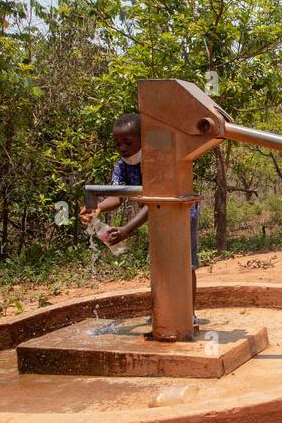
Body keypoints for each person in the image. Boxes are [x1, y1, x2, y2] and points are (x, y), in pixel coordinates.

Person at [80, 111, 202, 293]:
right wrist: (98, 207)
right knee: (160, 264)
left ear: (143, 139)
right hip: (155, 216)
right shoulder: (121, 166)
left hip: (182, 215)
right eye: (118, 144)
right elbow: (117, 196)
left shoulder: (158, 160)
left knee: (184, 264)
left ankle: (187, 314)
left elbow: (156, 202)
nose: (122, 148)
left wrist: (126, 229)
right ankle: (162, 312)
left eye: (128, 143)